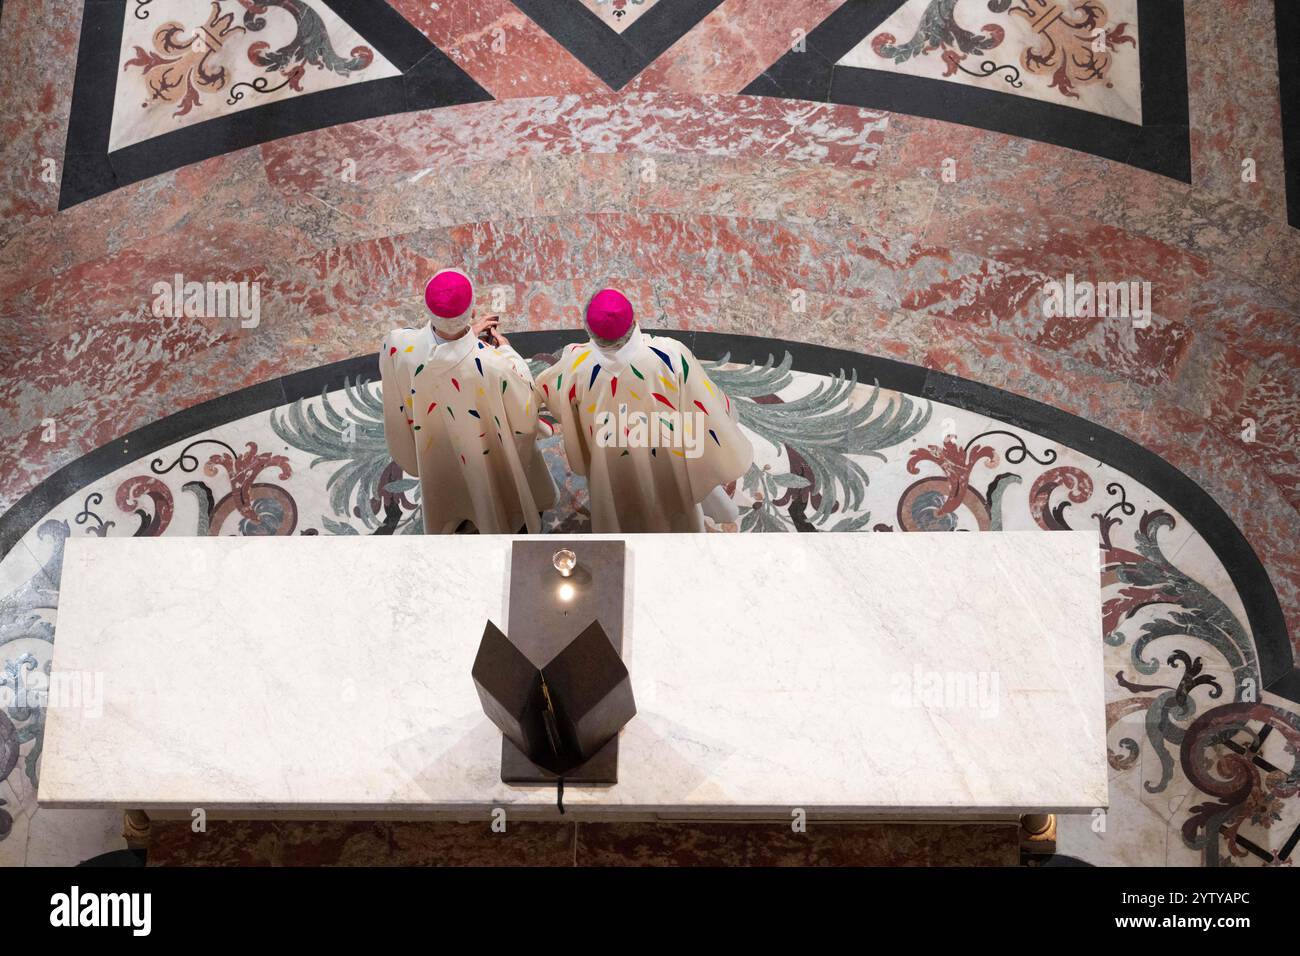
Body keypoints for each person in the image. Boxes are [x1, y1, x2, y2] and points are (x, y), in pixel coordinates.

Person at [536, 288, 751, 532]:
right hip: (667, 454)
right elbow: (703, 401)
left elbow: (551, 394)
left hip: (610, 457)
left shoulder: (575, 365)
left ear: (588, 330)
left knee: (616, 502)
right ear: (634, 320)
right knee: (674, 502)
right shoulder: (669, 354)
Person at [379, 268, 556, 533]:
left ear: (427, 309)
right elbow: (526, 418)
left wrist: (465, 335)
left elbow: (403, 393)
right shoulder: (493, 364)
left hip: (434, 446)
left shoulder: (396, 346)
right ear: (471, 312)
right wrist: (506, 350)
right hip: (484, 449)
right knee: (488, 483)